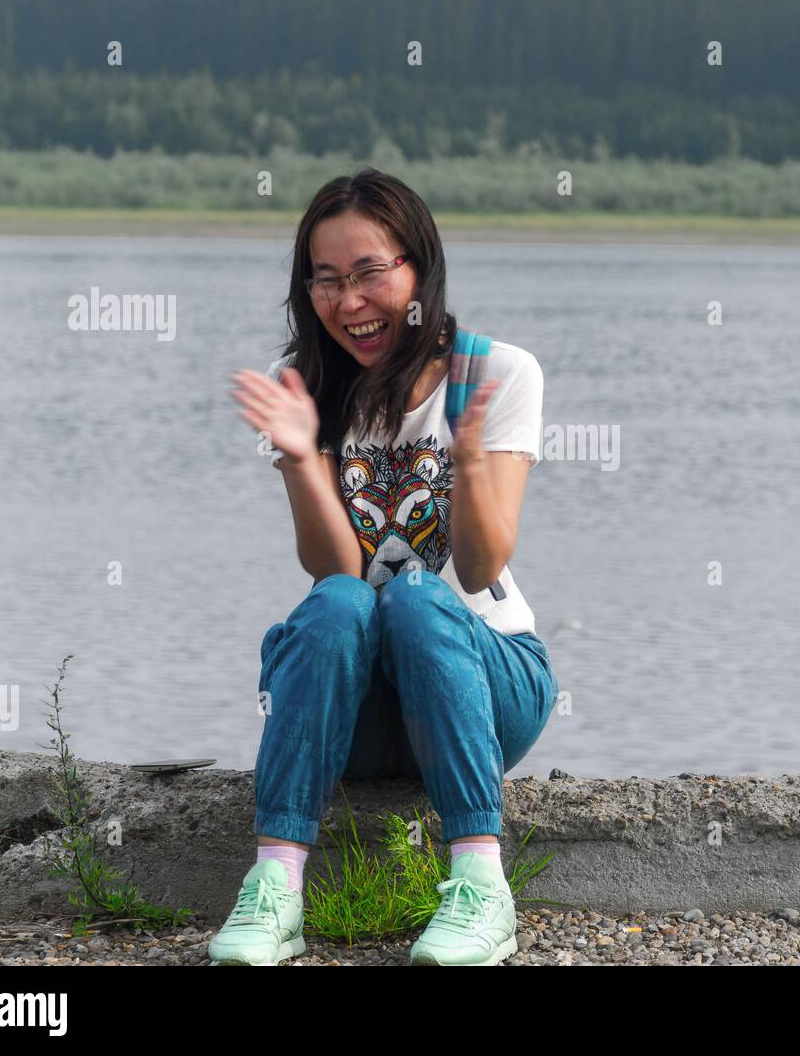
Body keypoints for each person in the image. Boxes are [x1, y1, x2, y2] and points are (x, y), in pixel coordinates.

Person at [208, 167, 557, 966]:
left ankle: (481, 888)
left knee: (416, 601)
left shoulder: (496, 373)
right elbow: (332, 568)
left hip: (485, 685)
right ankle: (275, 892)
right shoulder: (312, 391)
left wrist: (467, 462)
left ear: (418, 268)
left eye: (370, 272)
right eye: (327, 280)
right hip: (364, 710)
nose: (349, 299)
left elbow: (480, 567)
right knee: (338, 604)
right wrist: (301, 456)